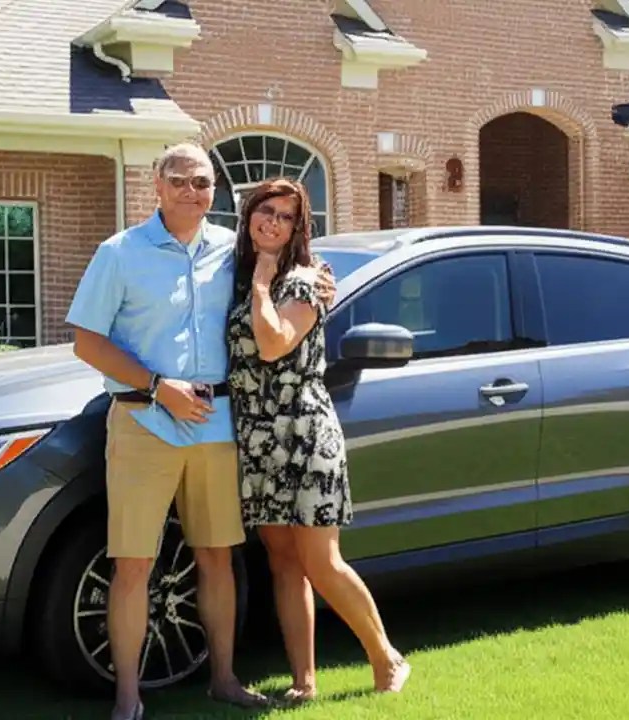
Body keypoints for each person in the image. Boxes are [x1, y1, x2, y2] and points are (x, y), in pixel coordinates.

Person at [65, 144, 332, 720]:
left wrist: (315, 279)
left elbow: (280, 274)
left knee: (217, 557)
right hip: (143, 420)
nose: (193, 192)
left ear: (216, 191)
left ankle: (224, 679)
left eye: (204, 183)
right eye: (181, 181)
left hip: (217, 426)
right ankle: (129, 697)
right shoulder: (119, 254)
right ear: (156, 187)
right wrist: (160, 387)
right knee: (134, 563)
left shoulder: (231, 252)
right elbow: (87, 341)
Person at [225, 177, 410, 704]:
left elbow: (272, 343)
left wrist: (263, 283)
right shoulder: (240, 276)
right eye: (266, 210)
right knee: (282, 560)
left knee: (320, 560)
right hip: (259, 434)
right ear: (249, 214)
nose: (273, 222)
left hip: (304, 432)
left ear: (297, 228)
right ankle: (304, 681)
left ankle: (386, 657)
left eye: (285, 216)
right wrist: (254, 279)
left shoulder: (303, 281)